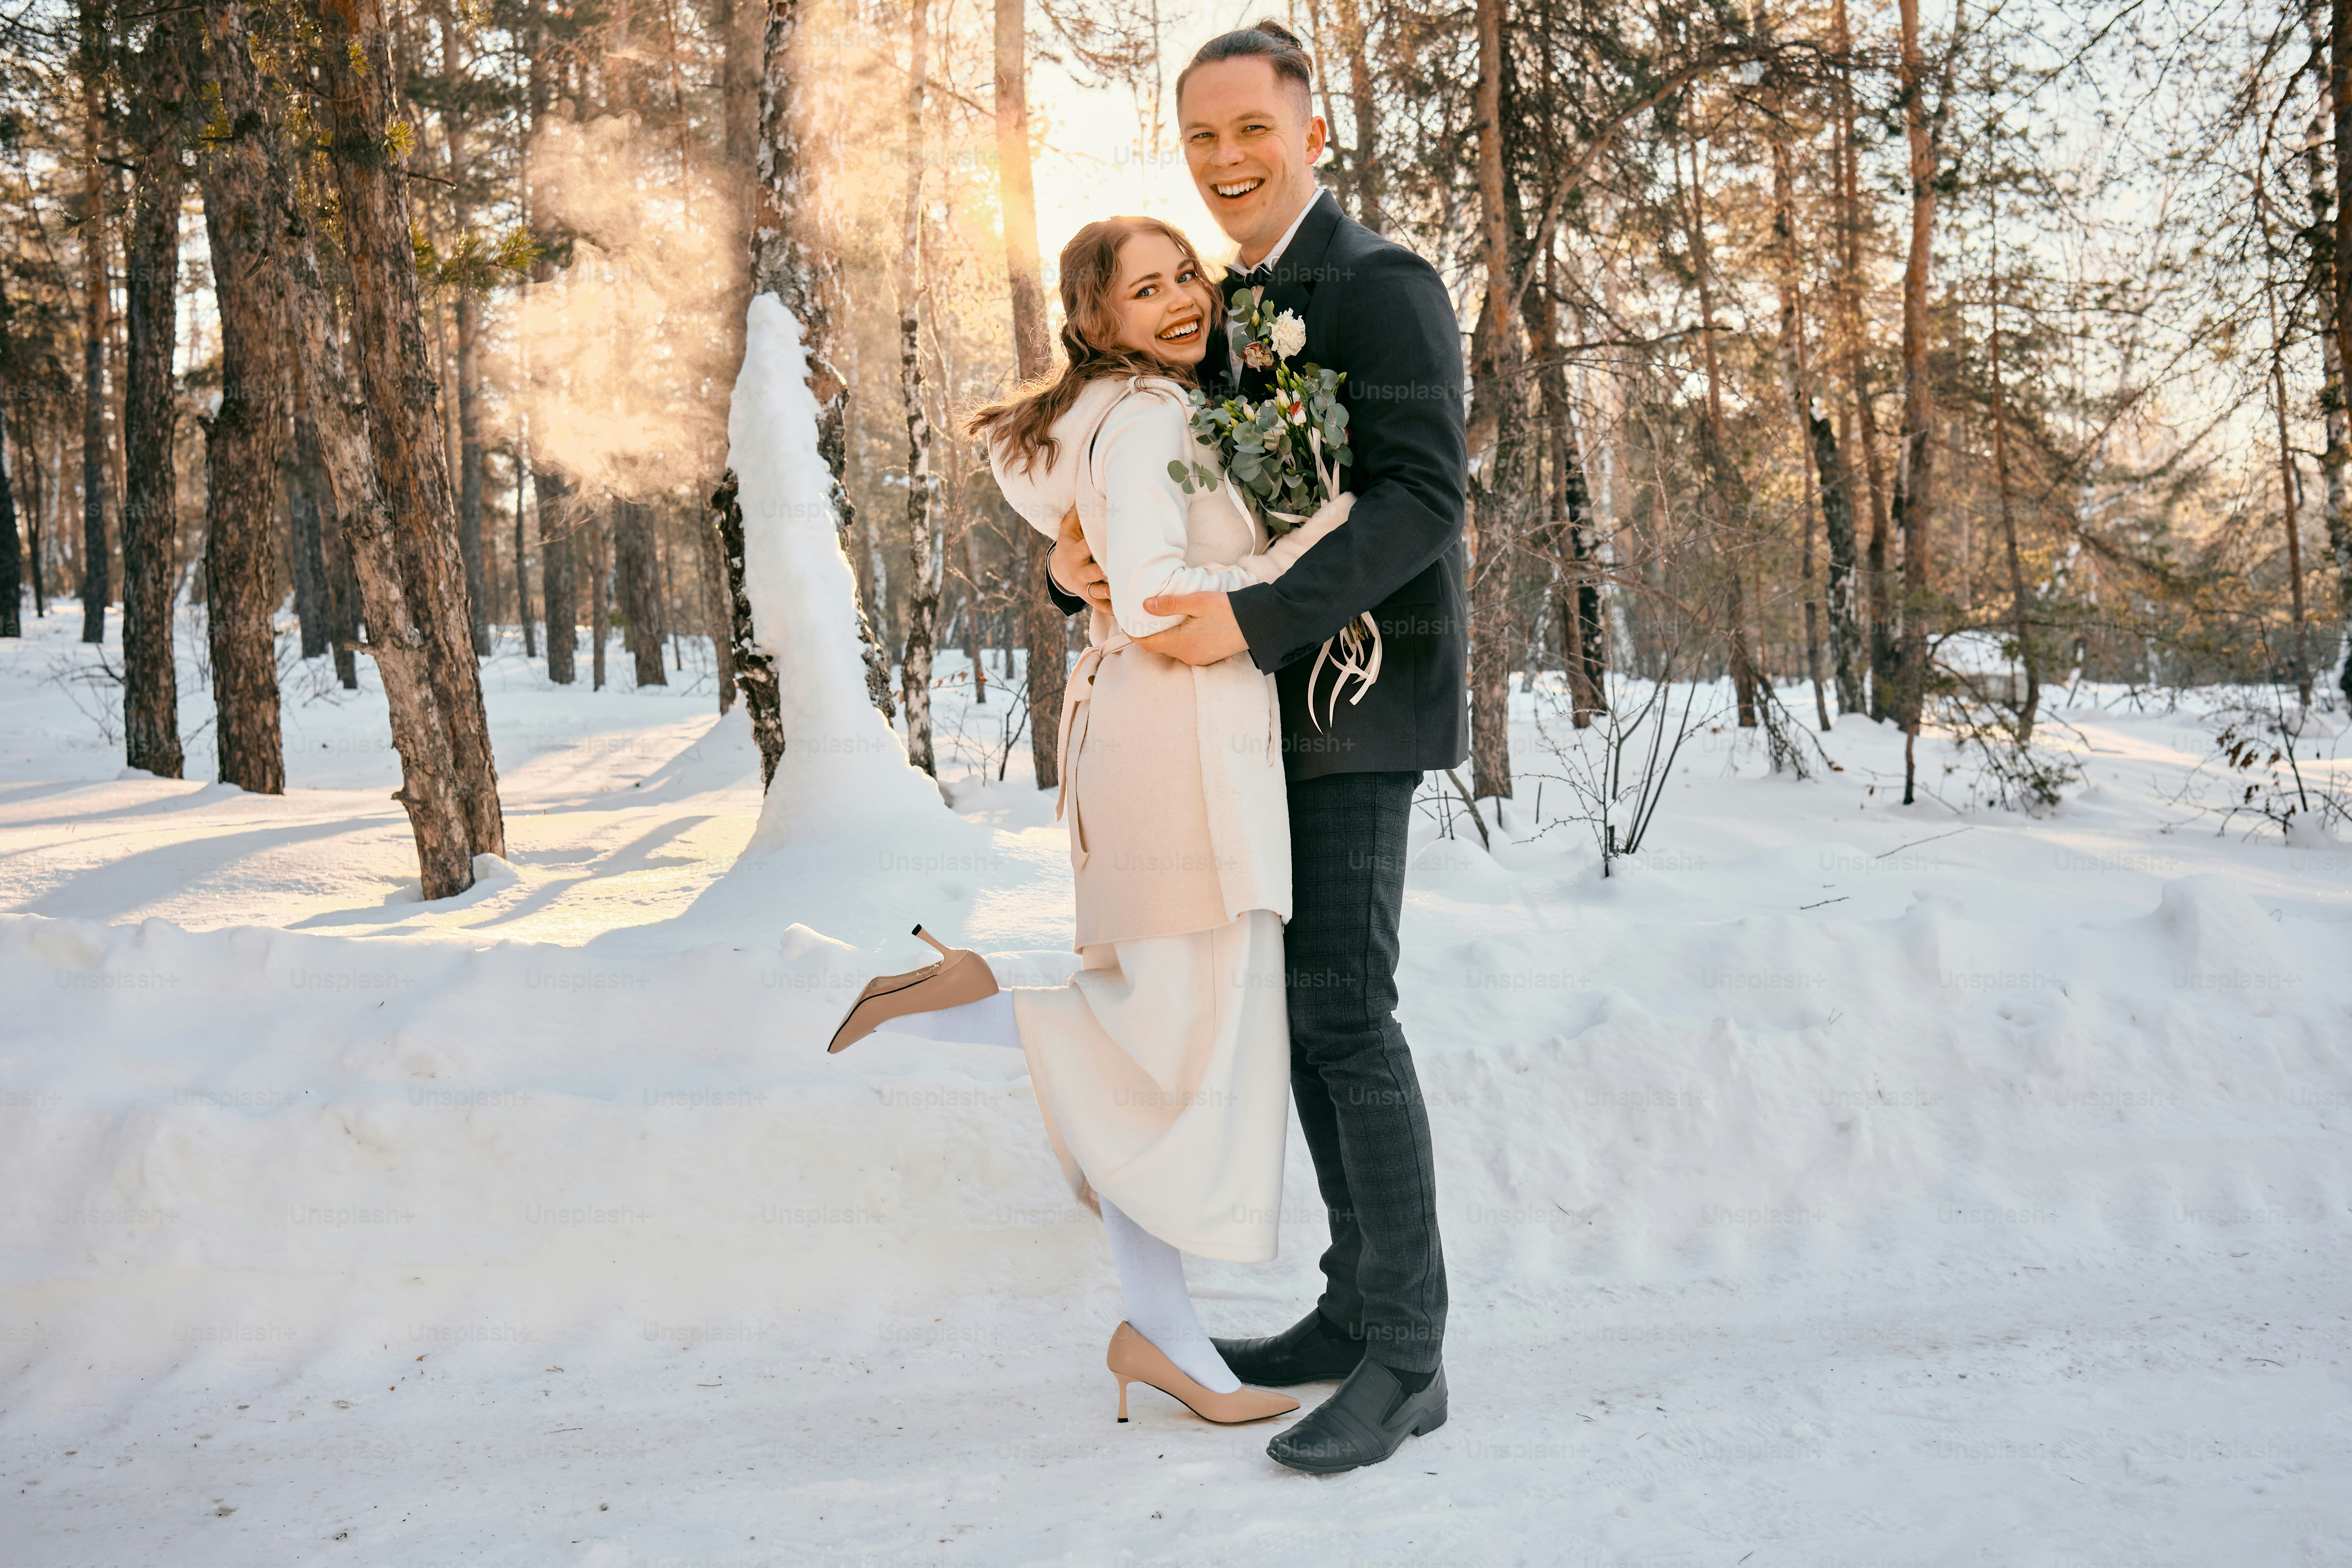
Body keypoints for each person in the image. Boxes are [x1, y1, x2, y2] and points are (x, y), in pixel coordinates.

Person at [827, 213, 1351, 1431]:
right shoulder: (1151, 418)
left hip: (1146, 740)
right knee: (1165, 1051)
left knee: (1153, 1062)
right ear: (1096, 319)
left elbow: (1120, 570)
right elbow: (1161, 598)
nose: (1181, 299)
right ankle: (951, 1006)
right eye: (1145, 289)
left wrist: (1093, 572)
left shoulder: (1124, 414)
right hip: (1178, 750)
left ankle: (1163, 1335)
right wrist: (1314, 549)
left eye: (1186, 277)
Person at [1044, 20, 1470, 1475]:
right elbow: (1167, 488)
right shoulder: (1215, 305)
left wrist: (1257, 621)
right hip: (1239, 718)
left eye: (1252, 130)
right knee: (1297, 1014)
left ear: (1311, 134)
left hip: (1355, 697)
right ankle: (1352, 1311)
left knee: (1348, 1012)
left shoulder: (1380, 286)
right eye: (1202, 137)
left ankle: (1407, 1356)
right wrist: (1076, 571)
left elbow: (1422, 500)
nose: (1226, 159)